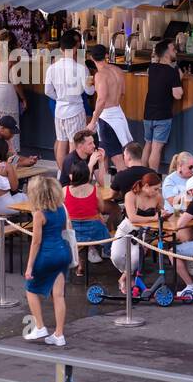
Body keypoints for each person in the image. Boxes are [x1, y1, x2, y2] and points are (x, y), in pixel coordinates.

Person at [22, 175, 70, 346]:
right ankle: (59, 334)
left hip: (47, 254)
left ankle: (40, 326)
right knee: (59, 295)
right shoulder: (62, 209)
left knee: (31, 289)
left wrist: (29, 267)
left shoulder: (39, 214)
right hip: (63, 253)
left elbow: (36, 242)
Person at [43, 30, 93, 170]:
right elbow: (90, 91)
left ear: (61, 48)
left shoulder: (52, 68)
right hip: (75, 110)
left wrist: (59, 98)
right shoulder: (81, 68)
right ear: (76, 47)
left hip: (59, 111)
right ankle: (73, 176)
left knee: (61, 142)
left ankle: (63, 175)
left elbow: (47, 91)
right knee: (74, 144)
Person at [85, 42, 130, 172]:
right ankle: (104, 186)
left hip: (107, 118)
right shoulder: (118, 70)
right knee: (102, 154)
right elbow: (122, 92)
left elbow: (101, 100)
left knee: (116, 157)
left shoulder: (100, 75)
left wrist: (93, 121)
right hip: (118, 112)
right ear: (106, 55)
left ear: (91, 58)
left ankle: (125, 186)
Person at [142, 39, 183, 170]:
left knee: (147, 144)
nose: (175, 51)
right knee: (156, 149)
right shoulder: (172, 72)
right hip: (163, 115)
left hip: (148, 113)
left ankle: (142, 176)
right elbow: (177, 94)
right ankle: (153, 178)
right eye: (172, 49)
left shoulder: (152, 69)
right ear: (166, 54)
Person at [64, 160, 111, 271]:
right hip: (93, 230)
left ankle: (79, 261)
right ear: (87, 175)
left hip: (72, 231)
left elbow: (60, 209)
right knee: (107, 233)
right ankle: (108, 252)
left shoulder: (64, 190)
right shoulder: (95, 190)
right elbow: (102, 209)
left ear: (73, 176)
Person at [0, 29, 27, 153]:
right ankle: (11, 155)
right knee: (10, 125)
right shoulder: (13, 59)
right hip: (7, 91)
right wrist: (23, 98)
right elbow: (15, 81)